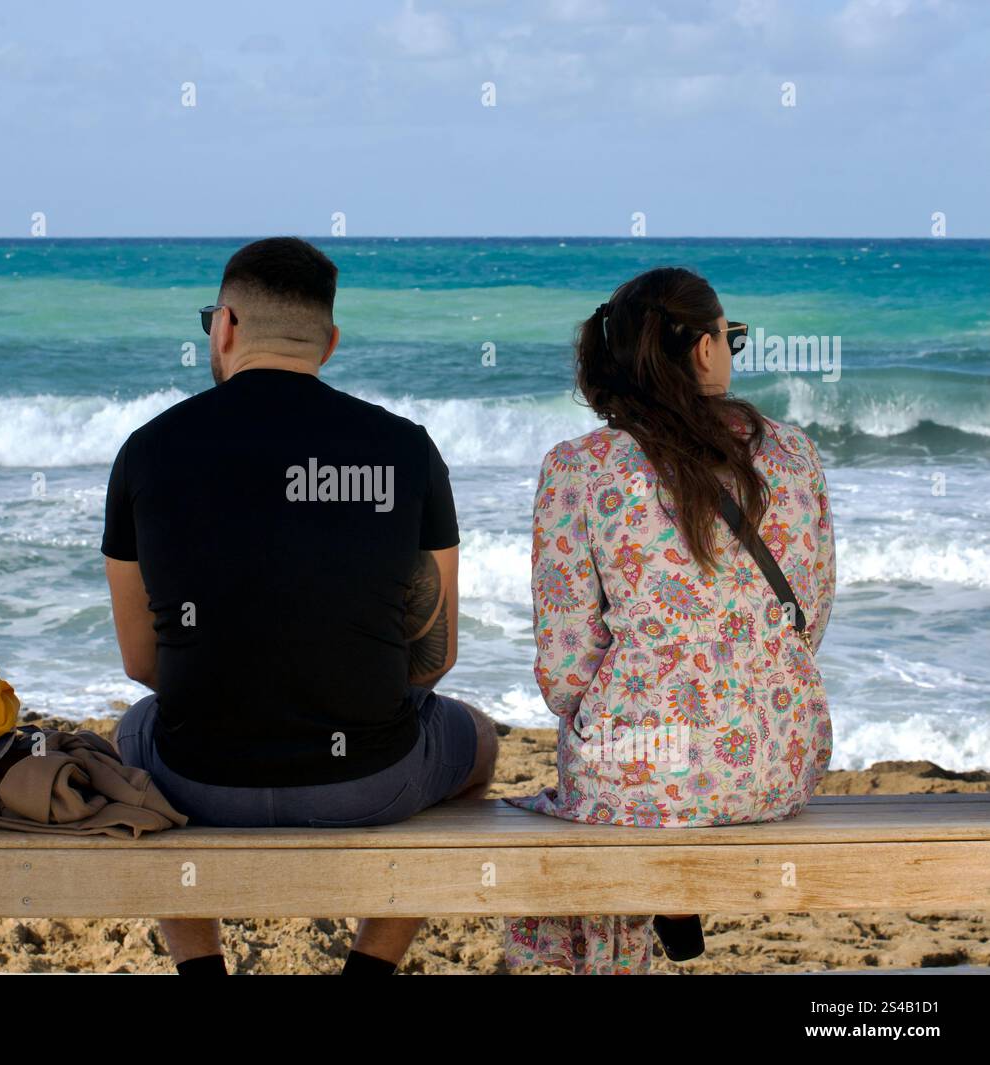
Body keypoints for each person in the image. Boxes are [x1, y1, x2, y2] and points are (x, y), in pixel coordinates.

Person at [101, 237, 497, 975]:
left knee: (131, 737)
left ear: (223, 326)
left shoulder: (147, 451)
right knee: (479, 741)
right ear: (330, 342)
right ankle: (369, 965)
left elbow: (140, 660)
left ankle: (203, 968)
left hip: (197, 777)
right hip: (369, 782)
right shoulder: (406, 450)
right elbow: (433, 658)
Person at [505, 266, 835, 974]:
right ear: (706, 351)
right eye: (730, 337)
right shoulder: (797, 454)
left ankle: (633, 935)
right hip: (780, 762)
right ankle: (671, 908)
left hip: (643, 772)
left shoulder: (581, 467)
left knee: (601, 759)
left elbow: (565, 672)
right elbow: (808, 621)